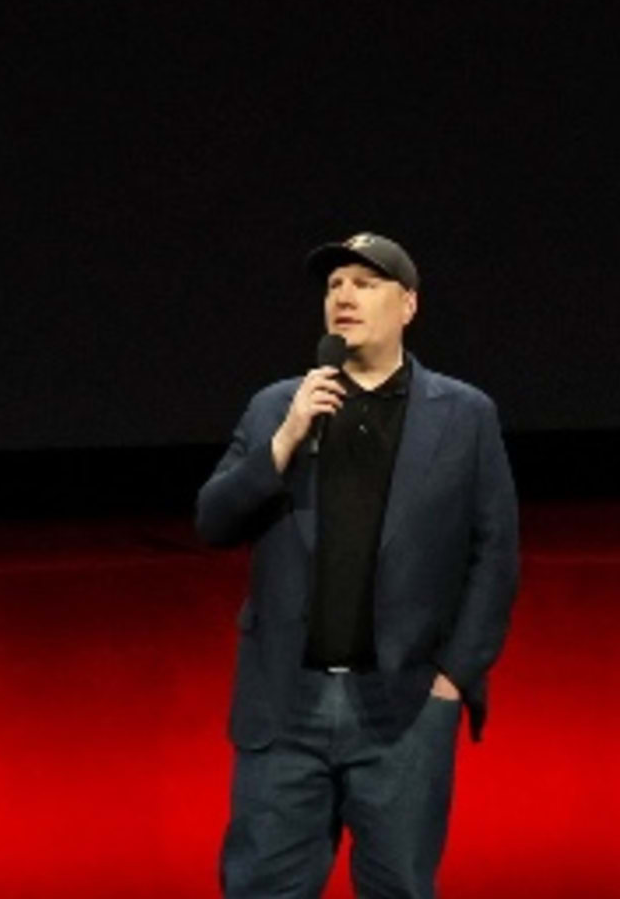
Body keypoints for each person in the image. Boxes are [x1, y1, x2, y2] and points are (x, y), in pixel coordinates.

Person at [195, 231, 520, 899]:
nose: (344, 296)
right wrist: (283, 442)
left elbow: (494, 554)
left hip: (403, 707)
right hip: (286, 704)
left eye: (366, 284)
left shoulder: (464, 416)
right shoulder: (276, 406)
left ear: (408, 305)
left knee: (399, 887)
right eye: (335, 285)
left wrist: (453, 680)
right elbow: (213, 521)